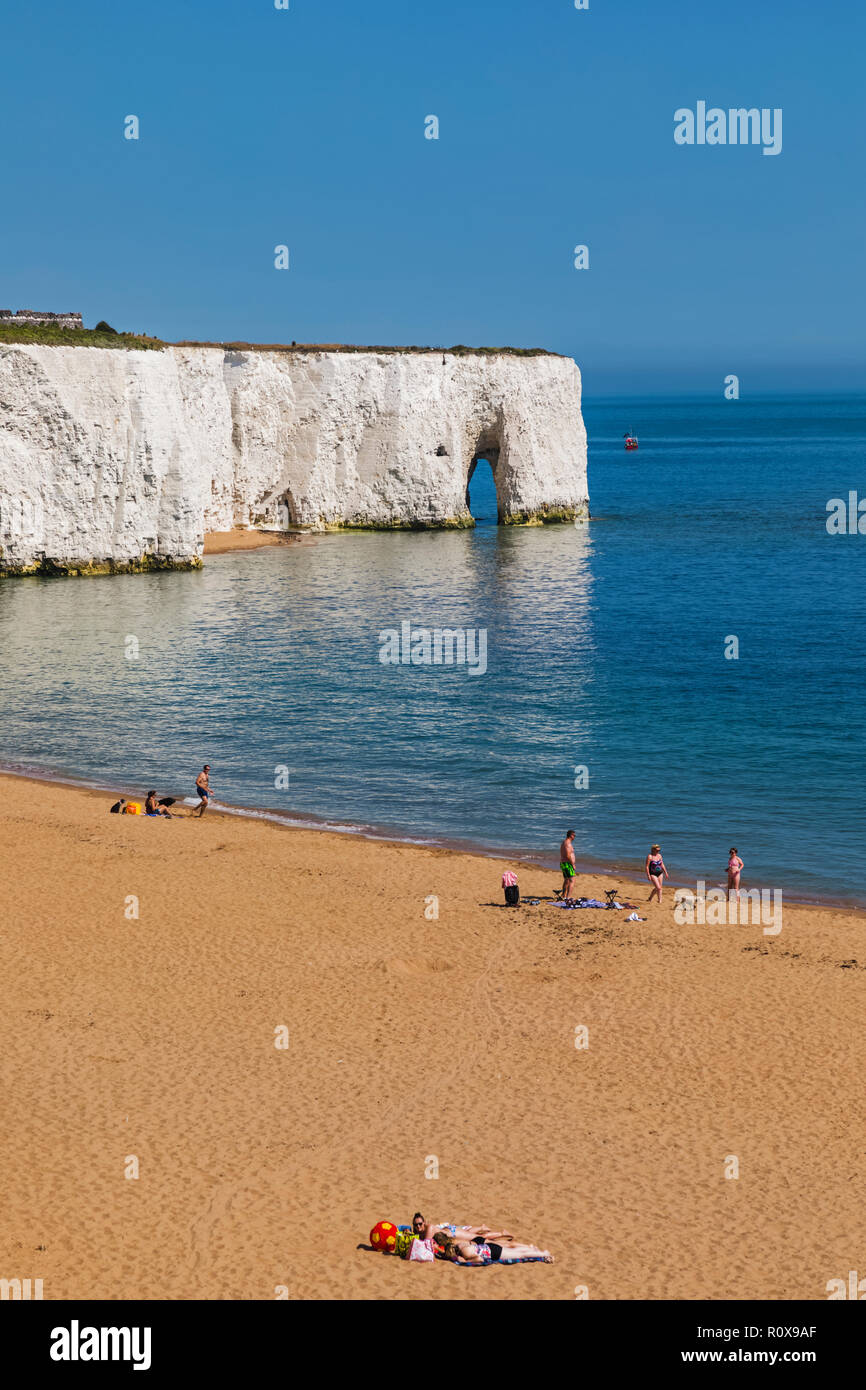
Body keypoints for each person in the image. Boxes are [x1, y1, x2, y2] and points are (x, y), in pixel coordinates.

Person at [432, 1231, 553, 1265]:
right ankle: (536, 1251)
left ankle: (542, 1254)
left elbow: (478, 1259)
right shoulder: (459, 1245)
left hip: (494, 1253)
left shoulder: (464, 1253)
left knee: (519, 1255)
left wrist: (467, 1261)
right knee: (515, 1250)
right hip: (489, 1247)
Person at [411, 1212, 513, 1242]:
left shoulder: (429, 1228)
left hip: (454, 1234)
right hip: (451, 1232)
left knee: (480, 1238)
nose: (418, 1226)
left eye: (420, 1223)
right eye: (416, 1225)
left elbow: (426, 1243)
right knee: (474, 1235)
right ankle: (482, 1228)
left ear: (424, 1223)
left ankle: (502, 1233)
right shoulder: (417, 1231)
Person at [559, 829, 577, 900]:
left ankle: (563, 896)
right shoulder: (568, 844)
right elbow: (568, 855)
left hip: (564, 863)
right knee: (572, 880)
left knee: (566, 880)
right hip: (568, 864)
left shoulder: (564, 842)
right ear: (571, 835)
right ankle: (568, 897)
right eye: (574, 835)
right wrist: (572, 864)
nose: (574, 837)